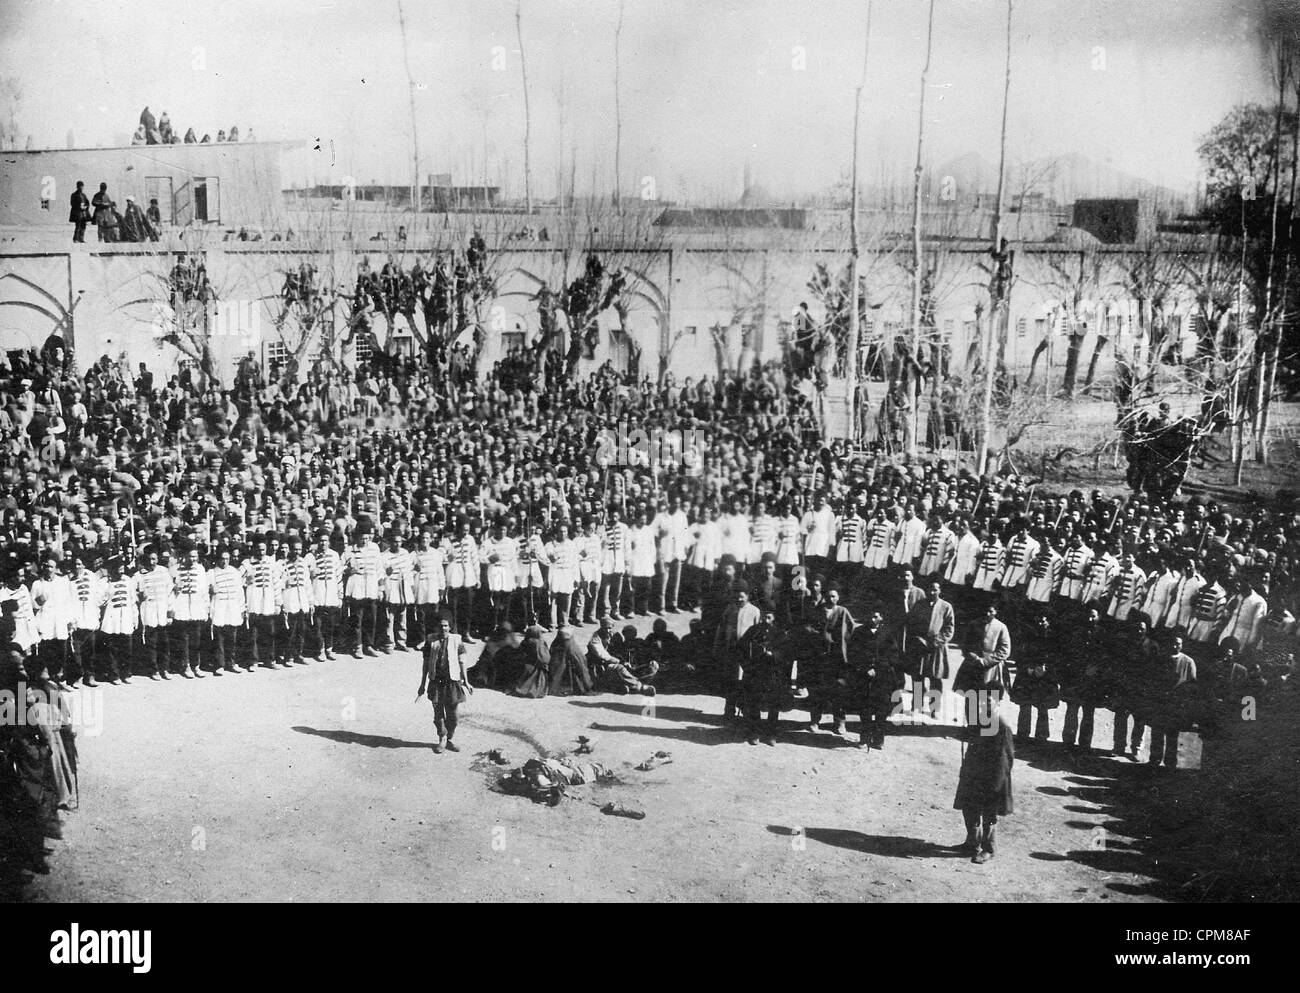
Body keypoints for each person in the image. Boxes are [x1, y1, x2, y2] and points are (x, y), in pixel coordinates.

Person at [953, 690, 1014, 865]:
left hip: (992, 779)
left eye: (988, 702)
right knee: (969, 807)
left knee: (989, 815)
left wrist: (995, 785)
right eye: (981, 702)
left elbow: (1006, 760)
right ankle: (972, 843)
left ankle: (989, 849)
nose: (983, 705)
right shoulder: (980, 720)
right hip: (974, 774)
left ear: (998, 703)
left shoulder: (1002, 726)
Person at [417, 613, 472, 753]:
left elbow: (462, 662)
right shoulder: (431, 640)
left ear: (450, 626)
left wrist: (466, 681)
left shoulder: (457, 639)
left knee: (453, 716)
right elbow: (425, 664)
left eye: (446, 626)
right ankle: (442, 738)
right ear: (437, 627)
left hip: (452, 682)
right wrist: (422, 684)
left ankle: (449, 738)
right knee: (438, 712)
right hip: (436, 682)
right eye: (441, 626)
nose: (443, 629)